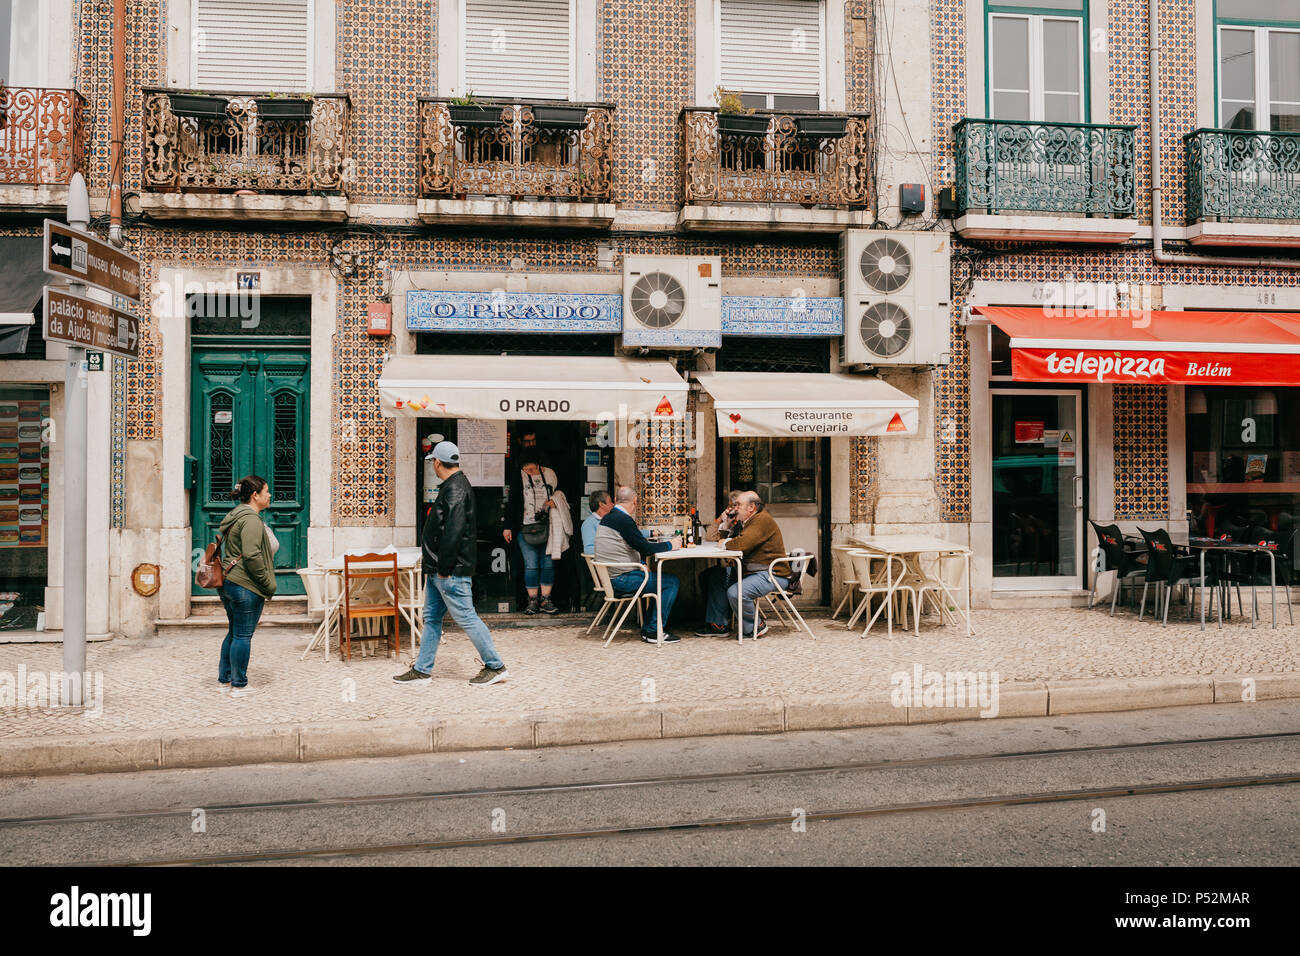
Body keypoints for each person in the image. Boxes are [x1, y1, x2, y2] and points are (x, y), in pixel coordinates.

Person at [394, 441, 509, 687]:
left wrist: (444, 568)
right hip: (439, 570)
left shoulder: (455, 489)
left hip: (449, 571)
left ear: (437, 462)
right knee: (432, 618)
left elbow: (453, 532)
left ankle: (495, 666)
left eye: (432, 463)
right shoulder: (454, 486)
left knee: (467, 617)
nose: (433, 467)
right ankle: (422, 670)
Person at [593, 485, 681, 643]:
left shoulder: (610, 517)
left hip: (613, 577)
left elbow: (624, 548)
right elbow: (646, 548)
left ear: (615, 500)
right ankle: (653, 631)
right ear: (635, 501)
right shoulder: (623, 519)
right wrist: (671, 545)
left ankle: (649, 629)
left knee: (659, 580)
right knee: (670, 582)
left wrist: (639, 562)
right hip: (621, 580)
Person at [218, 475, 277, 698]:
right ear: (255, 495)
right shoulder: (251, 519)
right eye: (267, 491)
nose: (269, 495)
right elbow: (252, 555)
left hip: (229, 582)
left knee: (234, 632)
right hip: (246, 585)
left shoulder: (234, 515)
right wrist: (266, 581)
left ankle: (224, 680)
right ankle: (239, 685)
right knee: (243, 636)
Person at [706, 490, 787, 639]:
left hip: (771, 573)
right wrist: (727, 525)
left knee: (736, 592)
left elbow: (742, 543)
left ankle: (755, 626)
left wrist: (725, 543)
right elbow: (728, 541)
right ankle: (718, 624)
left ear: (751, 507)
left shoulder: (762, 520)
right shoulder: (749, 521)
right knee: (717, 576)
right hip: (752, 572)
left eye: (738, 505)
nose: (735, 508)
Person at [505, 455, 561, 615]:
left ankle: (546, 599)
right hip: (525, 526)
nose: (529, 472)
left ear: (539, 465)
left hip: (548, 525)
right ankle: (533, 600)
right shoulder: (519, 475)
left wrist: (554, 501)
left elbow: (560, 492)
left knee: (548, 563)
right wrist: (508, 526)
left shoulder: (550, 474)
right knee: (531, 565)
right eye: (526, 469)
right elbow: (513, 500)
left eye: (532, 469)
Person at [582, 489, 613, 555]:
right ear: (601, 504)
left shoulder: (610, 520)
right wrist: (614, 548)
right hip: (605, 562)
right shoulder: (589, 523)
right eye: (610, 502)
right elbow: (589, 549)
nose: (613, 504)